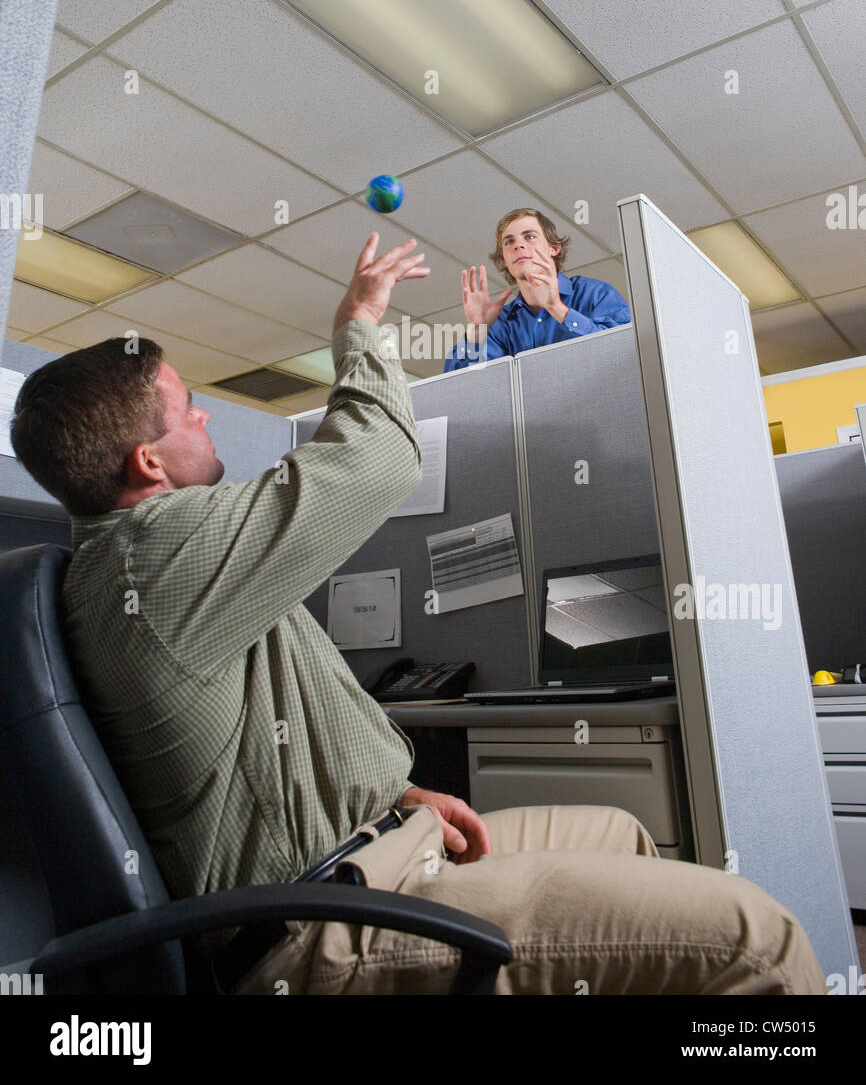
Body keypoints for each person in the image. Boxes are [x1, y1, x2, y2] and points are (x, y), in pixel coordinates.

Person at [9, 233, 825, 996]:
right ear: (147, 461)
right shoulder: (158, 555)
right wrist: (359, 323)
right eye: (187, 406)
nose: (206, 414)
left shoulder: (159, 560)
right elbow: (379, 456)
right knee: (759, 939)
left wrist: (403, 796)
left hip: (377, 852)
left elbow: (274, 740)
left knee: (621, 833)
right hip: (319, 930)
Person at [443, 208, 631, 372]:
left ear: (554, 248)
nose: (518, 245)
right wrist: (476, 332)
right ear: (504, 260)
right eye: (508, 242)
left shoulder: (595, 294)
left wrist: (557, 308)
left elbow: (621, 353)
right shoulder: (499, 323)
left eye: (530, 236)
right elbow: (464, 389)